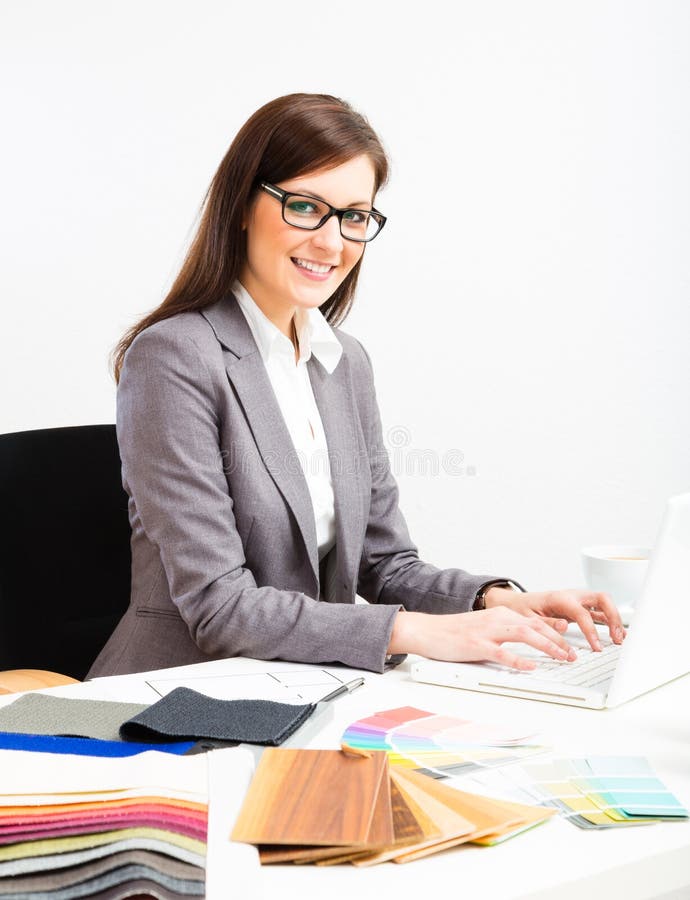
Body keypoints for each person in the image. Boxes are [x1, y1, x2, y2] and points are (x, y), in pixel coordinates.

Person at [88, 93, 625, 678]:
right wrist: (416, 633)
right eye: (304, 207)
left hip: (306, 682)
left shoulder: (344, 362)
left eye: (354, 216)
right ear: (241, 205)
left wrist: (494, 602)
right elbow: (222, 608)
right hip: (181, 692)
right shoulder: (174, 357)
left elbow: (385, 562)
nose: (332, 242)